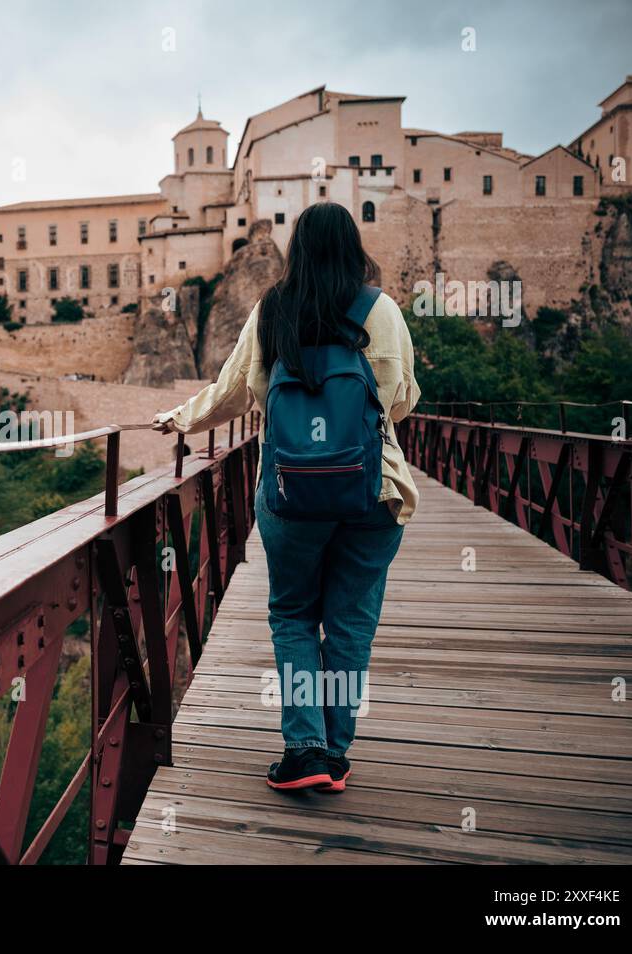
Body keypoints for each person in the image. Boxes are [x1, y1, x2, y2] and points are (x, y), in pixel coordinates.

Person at [152, 202, 421, 793]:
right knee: (350, 624)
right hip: (371, 493)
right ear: (355, 249)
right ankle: (337, 750)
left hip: (289, 493)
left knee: (294, 616)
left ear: (296, 250)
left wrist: (177, 420)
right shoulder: (383, 311)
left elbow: (237, 393)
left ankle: (304, 750)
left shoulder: (272, 310)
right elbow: (401, 400)